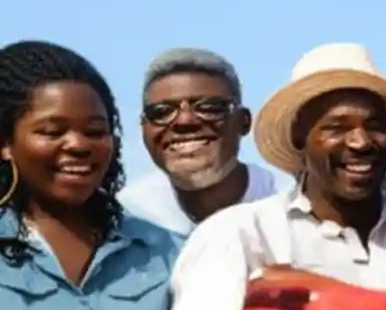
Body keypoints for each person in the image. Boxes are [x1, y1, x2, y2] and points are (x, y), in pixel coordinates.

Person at [170, 43, 386, 310]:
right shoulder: (234, 235)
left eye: (375, 126)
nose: (361, 141)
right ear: (299, 139)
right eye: (337, 127)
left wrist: (313, 290)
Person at [0, 41, 182, 310]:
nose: (79, 145)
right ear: (6, 143)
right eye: (52, 132)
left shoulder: (170, 254)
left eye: (96, 132)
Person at [120, 48, 281, 237]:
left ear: (244, 122)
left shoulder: (286, 206)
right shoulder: (129, 218)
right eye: (161, 112)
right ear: (144, 128)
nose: (185, 121)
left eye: (209, 107)